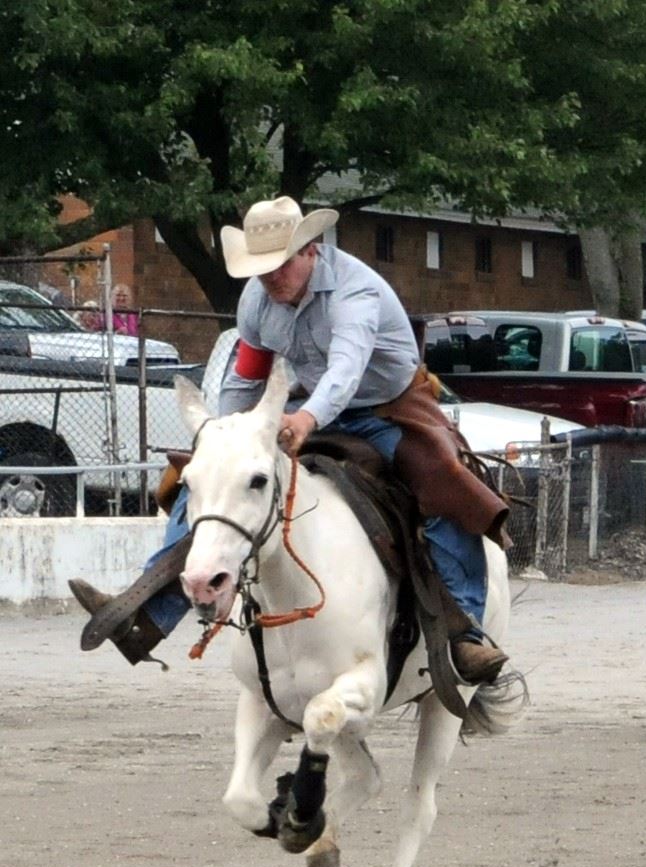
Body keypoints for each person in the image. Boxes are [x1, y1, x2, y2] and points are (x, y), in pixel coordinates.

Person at [68, 196, 513, 684]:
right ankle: (147, 612)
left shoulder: (355, 293)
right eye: (260, 270)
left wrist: (307, 420)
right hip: (309, 409)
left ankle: (466, 633)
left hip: (389, 410)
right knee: (209, 478)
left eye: (279, 266)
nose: (270, 278)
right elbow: (247, 374)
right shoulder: (258, 300)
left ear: (311, 251)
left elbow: (345, 370)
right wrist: (226, 434)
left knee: (444, 481)